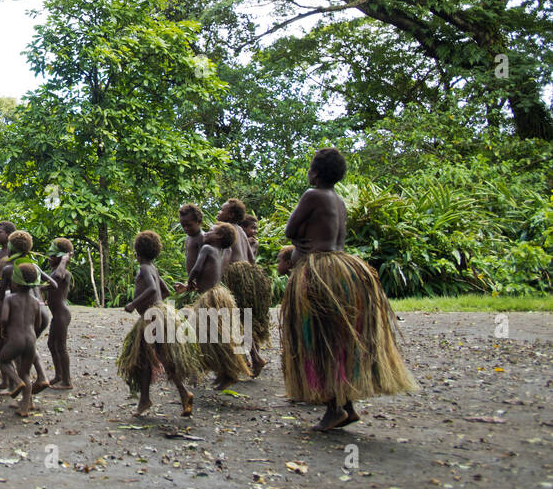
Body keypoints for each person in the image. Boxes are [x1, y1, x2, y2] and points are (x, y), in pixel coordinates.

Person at [280, 147, 416, 432]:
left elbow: (290, 230)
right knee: (340, 338)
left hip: (320, 274)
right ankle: (346, 406)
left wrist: (298, 243)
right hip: (346, 271)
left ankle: (335, 408)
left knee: (321, 339)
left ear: (314, 172)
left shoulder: (312, 195)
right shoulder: (339, 201)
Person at [118, 231, 201, 416]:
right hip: (159, 315)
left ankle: (150, 399)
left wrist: (134, 304)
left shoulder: (145, 269)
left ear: (136, 252)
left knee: (148, 357)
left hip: (153, 318)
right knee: (153, 357)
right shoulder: (152, 267)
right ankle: (174, 394)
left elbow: (153, 288)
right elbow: (165, 291)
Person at [178, 222, 251, 391]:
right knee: (220, 338)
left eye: (211, 231)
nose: (207, 232)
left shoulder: (206, 249)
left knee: (203, 336)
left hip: (209, 299)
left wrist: (188, 283)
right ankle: (224, 373)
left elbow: (196, 270)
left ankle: (215, 371)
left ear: (218, 236)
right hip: (220, 295)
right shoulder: (224, 250)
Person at [216, 198, 272, 377]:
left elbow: (226, 254)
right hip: (248, 274)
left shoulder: (228, 231)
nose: (219, 212)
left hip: (235, 277)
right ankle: (253, 358)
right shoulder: (240, 229)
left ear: (230, 214)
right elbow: (251, 257)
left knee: (236, 320)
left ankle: (250, 359)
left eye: (222, 209)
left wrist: (220, 276)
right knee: (244, 319)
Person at [0, 262, 50, 417]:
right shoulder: (35, 301)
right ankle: (25, 408)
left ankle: (16, 381)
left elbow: (4, 318)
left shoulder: (10, 298)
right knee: (26, 372)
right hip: (31, 340)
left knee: (3, 360)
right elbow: (39, 323)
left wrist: (3, 330)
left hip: (16, 339)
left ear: (15, 281)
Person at [44, 237, 74, 389]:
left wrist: (64, 260)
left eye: (52, 255)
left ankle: (67, 381)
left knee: (61, 347)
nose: (49, 258)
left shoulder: (63, 273)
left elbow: (58, 277)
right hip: (57, 314)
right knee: (51, 344)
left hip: (62, 314)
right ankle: (59, 375)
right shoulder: (53, 271)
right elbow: (47, 286)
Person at [178, 204, 208, 280]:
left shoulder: (202, 237)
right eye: (183, 226)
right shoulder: (188, 238)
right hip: (193, 280)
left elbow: (202, 264)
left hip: (202, 280)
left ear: (199, 222)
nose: (186, 228)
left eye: (189, 225)